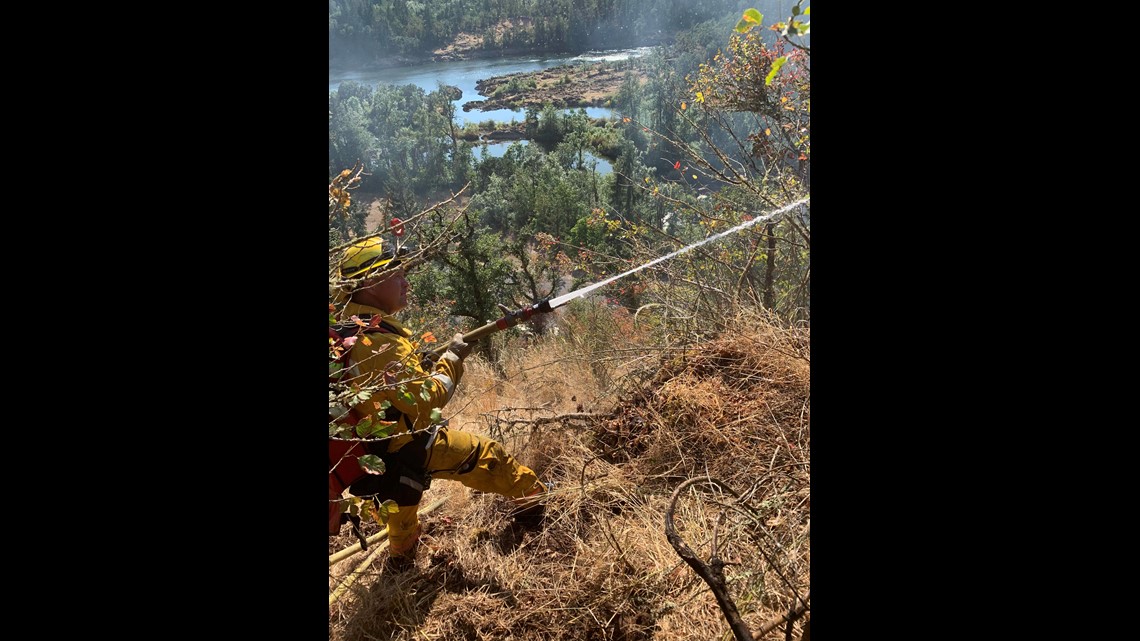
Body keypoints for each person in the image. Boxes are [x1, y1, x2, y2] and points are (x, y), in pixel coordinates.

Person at [331, 237, 549, 571]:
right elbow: (427, 399)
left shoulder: (346, 331)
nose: (406, 282)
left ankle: (400, 565)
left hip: (373, 459)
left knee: (400, 517)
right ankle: (539, 508)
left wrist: (420, 362)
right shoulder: (381, 342)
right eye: (396, 275)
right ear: (370, 283)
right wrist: (452, 359)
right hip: (409, 443)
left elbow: (378, 384)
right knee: (489, 456)